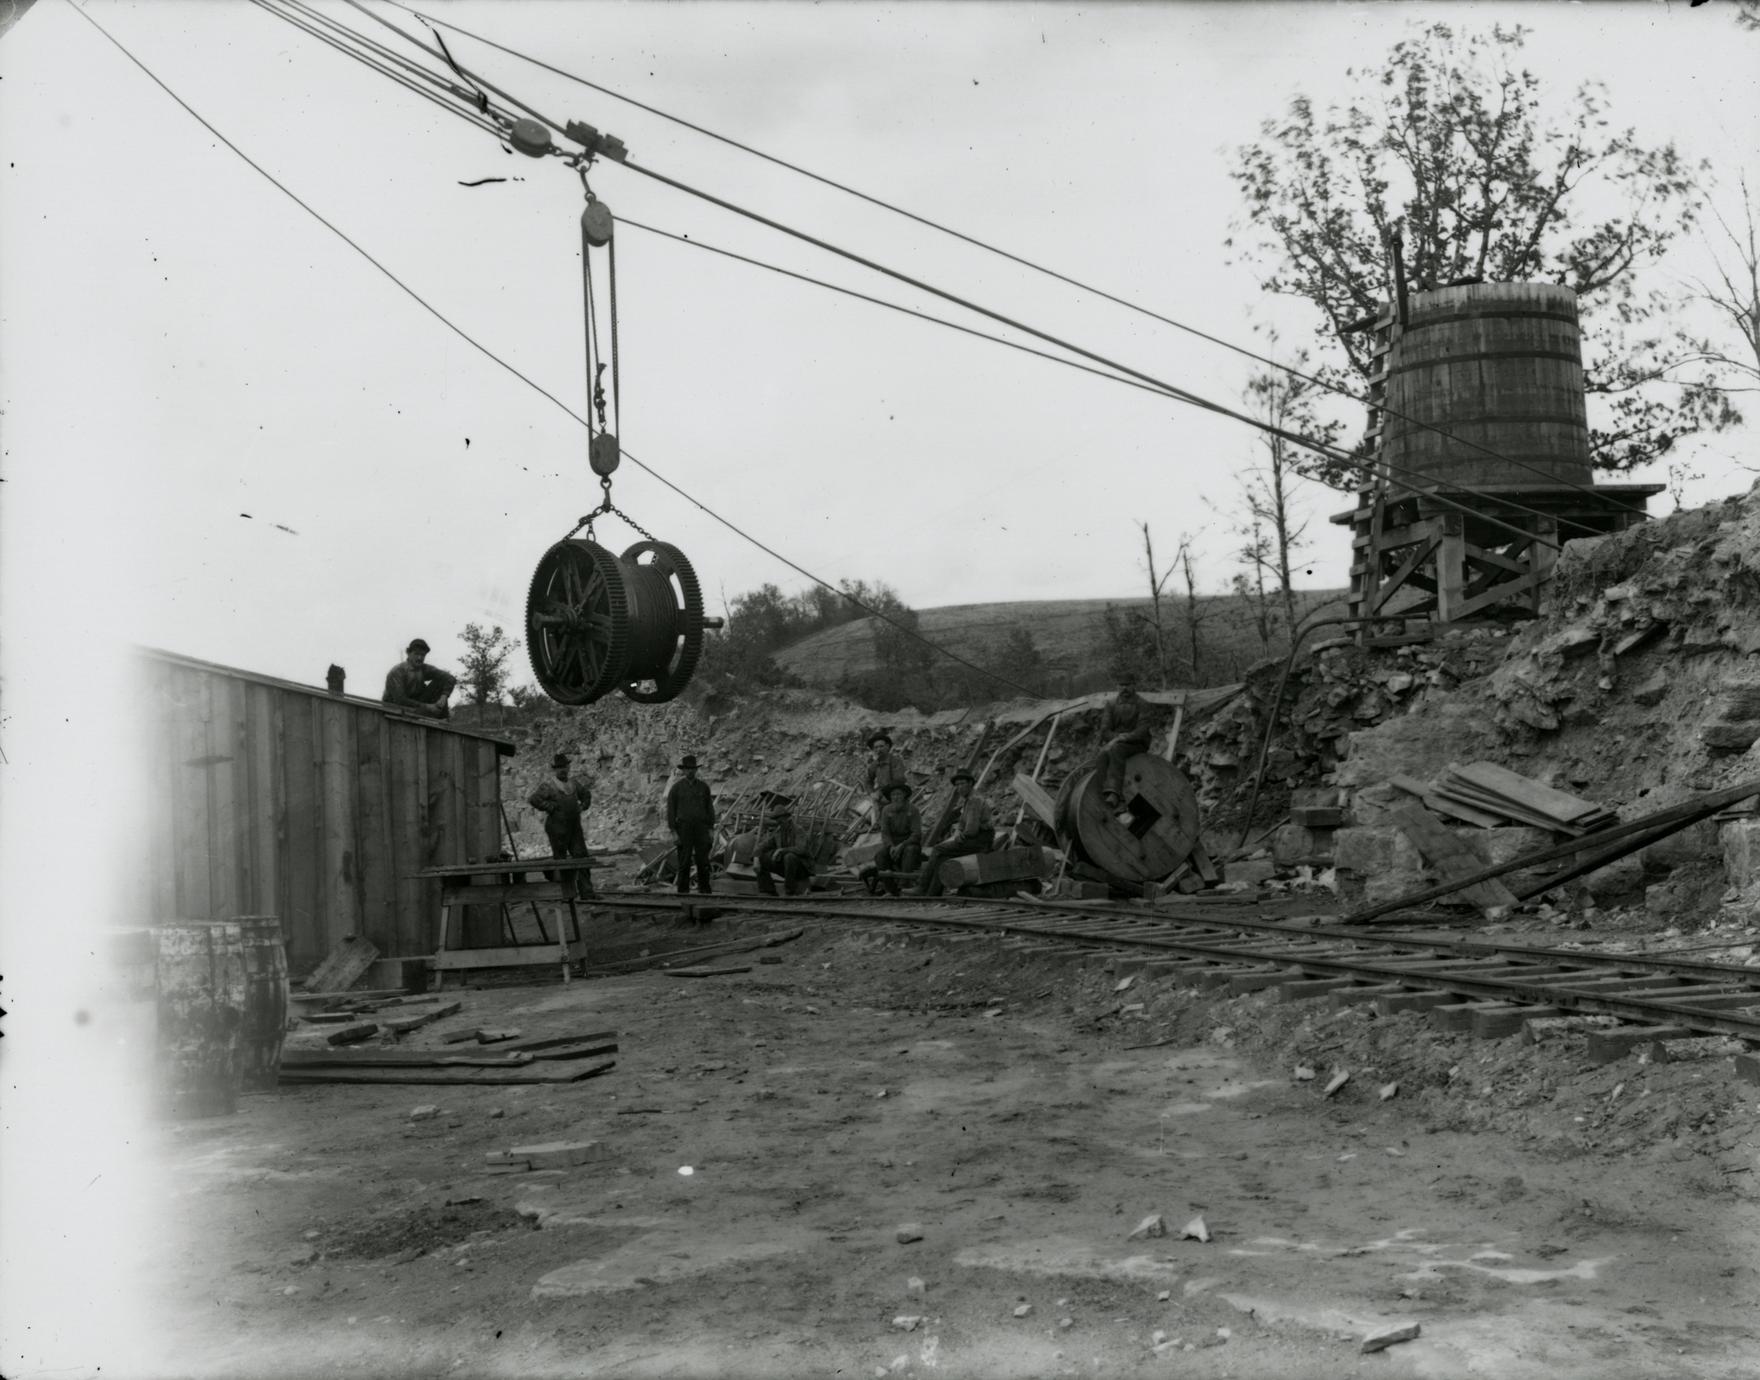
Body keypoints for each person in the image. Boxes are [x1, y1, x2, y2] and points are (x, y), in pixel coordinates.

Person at [916, 767, 995, 897]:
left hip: (980, 841)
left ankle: (922, 886)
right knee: (943, 858)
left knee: (937, 849)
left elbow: (971, 830)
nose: (959, 788)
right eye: (957, 785)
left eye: (962, 784)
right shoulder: (968, 800)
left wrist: (960, 836)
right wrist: (958, 832)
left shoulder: (975, 800)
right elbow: (961, 824)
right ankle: (932, 893)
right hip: (976, 839)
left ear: (970, 783)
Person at [528, 752, 595, 900]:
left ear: (568, 767)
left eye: (564, 767)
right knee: (562, 861)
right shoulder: (549, 786)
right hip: (557, 829)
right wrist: (550, 807)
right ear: (555, 770)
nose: (562, 770)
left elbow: (587, 795)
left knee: (582, 858)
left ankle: (587, 893)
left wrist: (583, 806)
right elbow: (533, 799)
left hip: (574, 828)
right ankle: (566, 894)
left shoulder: (574, 784)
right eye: (559, 768)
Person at [1095, 673, 1152, 807]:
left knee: (1116, 749)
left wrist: (1123, 738)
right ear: (1117, 687)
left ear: (1134, 686)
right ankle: (1100, 792)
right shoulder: (1111, 704)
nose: (1124, 688)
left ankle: (1115, 793)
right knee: (1102, 754)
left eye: (1128, 685)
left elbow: (1142, 730)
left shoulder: (1142, 704)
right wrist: (1116, 738)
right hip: (1117, 742)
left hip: (1137, 744)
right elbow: (1105, 730)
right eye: (1121, 685)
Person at [665, 753, 716, 896]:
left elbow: (709, 809)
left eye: (693, 768)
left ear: (696, 770)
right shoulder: (676, 788)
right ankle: (683, 891)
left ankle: (705, 890)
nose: (690, 771)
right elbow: (670, 811)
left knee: (703, 861)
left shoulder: (704, 788)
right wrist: (674, 832)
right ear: (683, 770)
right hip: (683, 829)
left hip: (701, 828)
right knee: (684, 861)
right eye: (687, 769)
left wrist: (711, 829)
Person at [756, 791, 814, 897]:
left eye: (780, 819)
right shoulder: (778, 832)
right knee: (762, 858)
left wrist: (782, 850)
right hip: (786, 867)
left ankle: (790, 891)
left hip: (802, 868)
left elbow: (802, 850)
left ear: (786, 818)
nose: (778, 822)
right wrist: (756, 857)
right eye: (776, 820)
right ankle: (768, 890)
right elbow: (764, 845)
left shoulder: (798, 830)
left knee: (789, 857)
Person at [382, 639, 457, 719]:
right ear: (408, 653)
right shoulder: (397, 671)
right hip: (394, 708)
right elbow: (400, 700)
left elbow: (450, 678)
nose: (419, 658)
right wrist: (427, 706)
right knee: (408, 706)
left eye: (423, 655)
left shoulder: (424, 669)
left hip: (416, 706)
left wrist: (444, 696)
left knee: (441, 680)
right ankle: (441, 717)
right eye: (416, 654)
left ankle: (443, 719)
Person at [873, 781, 923, 897]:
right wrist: (891, 846)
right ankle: (891, 890)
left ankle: (904, 887)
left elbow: (916, 834)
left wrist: (902, 845)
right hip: (893, 845)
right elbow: (885, 833)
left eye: (899, 794)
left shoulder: (913, 810)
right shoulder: (886, 810)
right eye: (893, 795)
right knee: (880, 856)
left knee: (910, 851)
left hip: (909, 843)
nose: (896, 797)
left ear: (904, 795)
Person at [865, 731, 909, 797]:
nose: (879, 749)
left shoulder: (896, 761)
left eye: (881, 746)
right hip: (882, 797)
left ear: (887, 746)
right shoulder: (874, 765)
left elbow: (899, 781)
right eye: (876, 747)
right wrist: (872, 793)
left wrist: (880, 792)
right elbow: (868, 781)